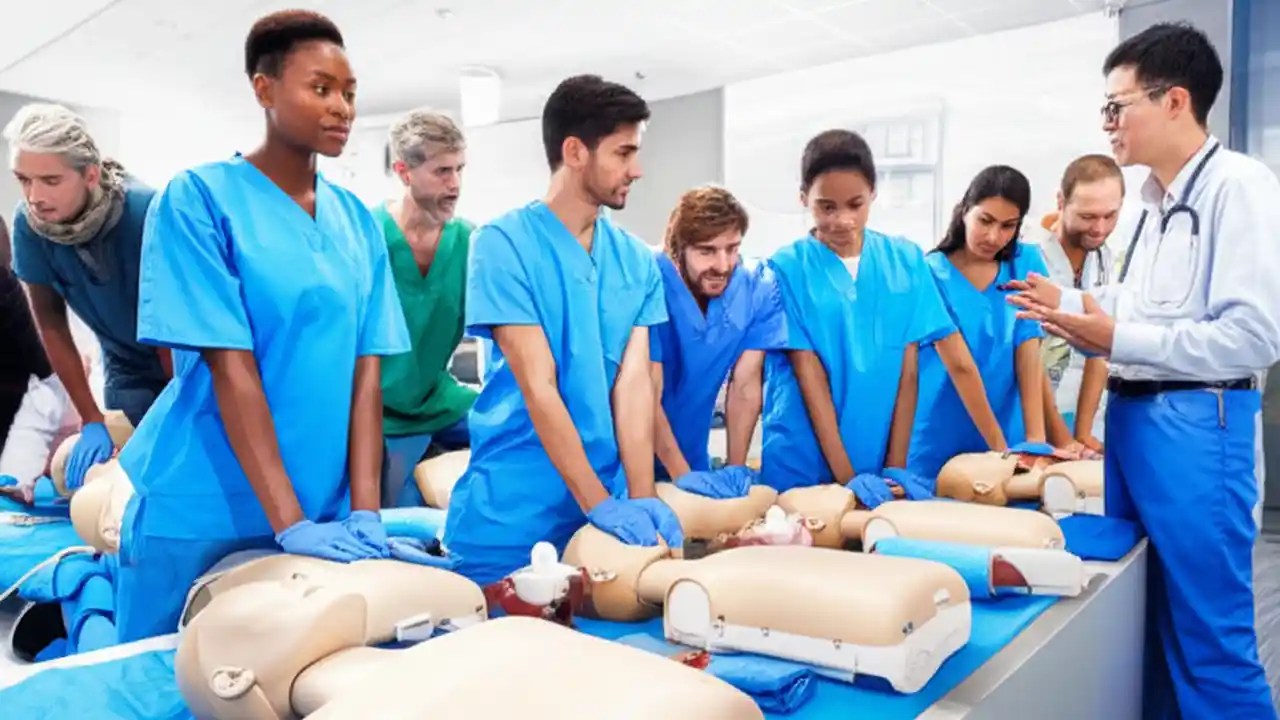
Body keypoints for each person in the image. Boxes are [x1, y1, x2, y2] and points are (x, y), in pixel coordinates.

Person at [111, 10, 412, 642]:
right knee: (159, 681)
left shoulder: (358, 223)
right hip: (203, 502)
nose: (342, 109)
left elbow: (367, 376)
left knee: (278, 689)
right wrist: (287, 520)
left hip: (320, 509)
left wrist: (364, 509)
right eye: (321, 88)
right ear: (265, 89)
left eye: (350, 92)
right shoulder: (200, 199)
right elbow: (231, 366)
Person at [1009, 23, 1279, 718]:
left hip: (1197, 426)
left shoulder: (1239, 187)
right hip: (1136, 420)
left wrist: (1115, 334)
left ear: (1175, 101)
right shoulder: (1154, 206)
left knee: (1209, 636)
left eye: (1117, 105)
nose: (1108, 123)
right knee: (1144, 623)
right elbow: (1142, 303)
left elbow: (1253, 336)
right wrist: (1064, 302)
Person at [442, 74, 681, 585]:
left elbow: (634, 387)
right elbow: (539, 385)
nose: (636, 170)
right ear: (575, 151)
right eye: (623, 153)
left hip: (599, 525)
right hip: (513, 513)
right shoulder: (502, 244)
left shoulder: (637, 263)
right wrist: (596, 501)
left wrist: (639, 496)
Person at [752, 129, 957, 504]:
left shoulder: (906, 261)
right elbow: (808, 376)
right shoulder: (785, 268)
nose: (842, 220)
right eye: (826, 207)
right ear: (804, 199)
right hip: (805, 460)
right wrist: (848, 481)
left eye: (855, 204)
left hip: (880, 455)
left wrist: (894, 468)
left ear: (874, 194)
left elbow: (907, 372)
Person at [3, 104, 171, 491]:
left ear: (90, 175)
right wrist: (90, 417)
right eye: (23, 180)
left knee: (173, 474)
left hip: (184, 363)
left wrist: (181, 414)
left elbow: (172, 324)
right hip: (126, 370)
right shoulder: (31, 227)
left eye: (50, 180)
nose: (34, 196)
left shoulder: (148, 213)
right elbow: (50, 324)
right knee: (78, 482)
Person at [907, 166, 1052, 479]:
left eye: (1007, 226)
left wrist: (1035, 443)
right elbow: (960, 367)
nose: (993, 236)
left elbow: (1029, 354)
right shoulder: (929, 272)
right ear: (964, 212)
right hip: (938, 435)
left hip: (1008, 431)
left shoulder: (1026, 263)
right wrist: (1001, 455)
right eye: (985, 220)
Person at [648, 185, 788, 500]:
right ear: (677, 249)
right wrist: (679, 473)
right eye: (707, 251)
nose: (723, 265)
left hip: (693, 457)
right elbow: (642, 389)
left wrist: (734, 469)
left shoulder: (756, 287)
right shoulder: (647, 281)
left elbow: (745, 384)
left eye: (732, 248)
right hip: (630, 461)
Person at [376, 111, 476, 507]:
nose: (455, 185)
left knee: (524, 439)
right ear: (404, 171)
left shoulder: (469, 241)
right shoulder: (366, 237)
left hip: (440, 401)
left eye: (459, 170)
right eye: (442, 172)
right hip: (375, 413)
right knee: (405, 515)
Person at [1037, 154, 1124, 456]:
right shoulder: (1029, 256)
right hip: (1033, 415)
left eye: (1110, 216)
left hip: (1081, 417)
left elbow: (1099, 347)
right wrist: (1061, 438)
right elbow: (1026, 360)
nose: (1099, 228)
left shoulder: (1105, 258)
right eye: (1088, 217)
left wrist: (1083, 433)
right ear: (1061, 202)